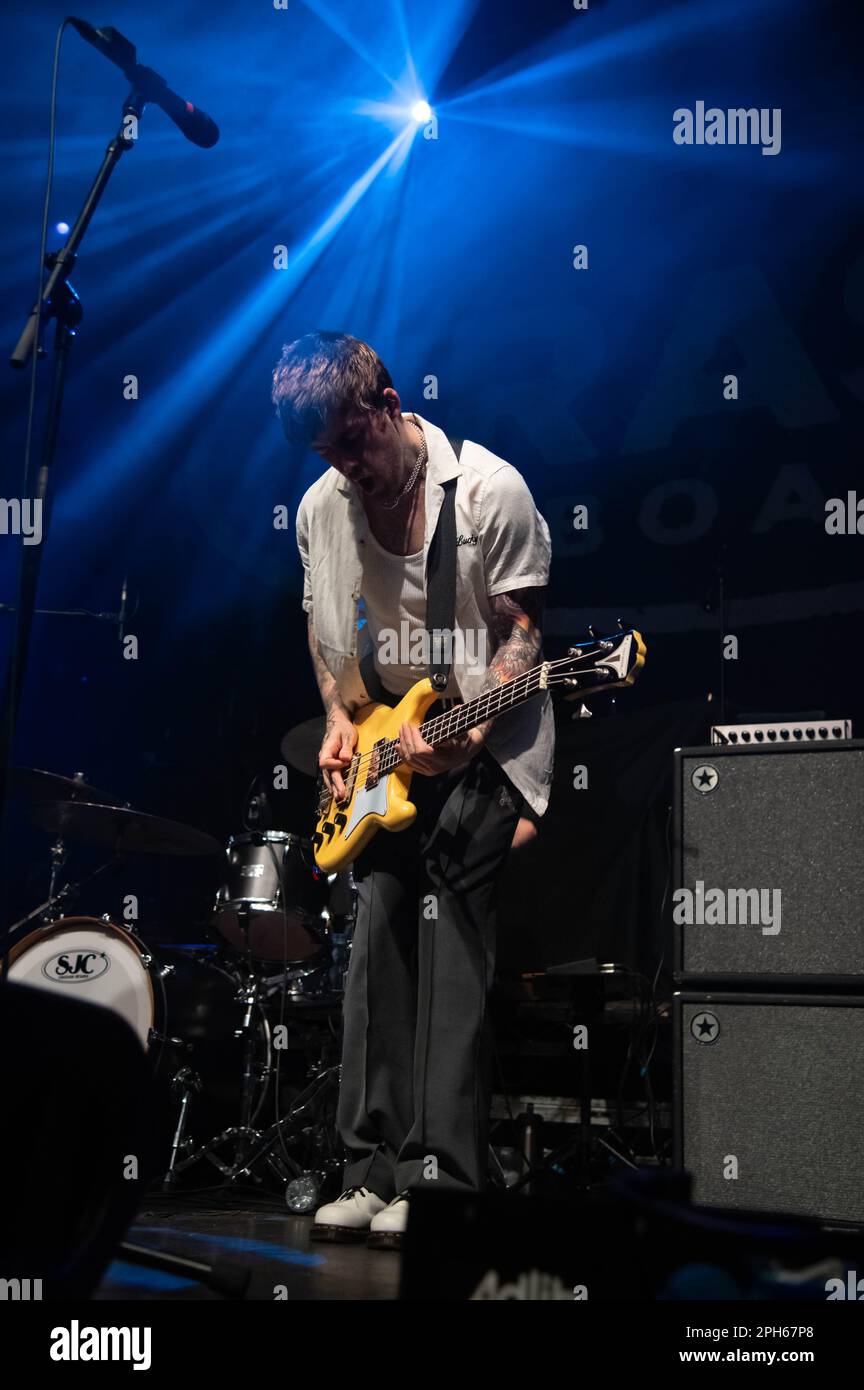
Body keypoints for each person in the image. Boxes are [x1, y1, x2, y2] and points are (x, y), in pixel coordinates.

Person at [272, 331, 554, 1248]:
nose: (349, 468)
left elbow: (524, 634)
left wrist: (473, 723)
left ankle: (444, 1179)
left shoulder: (486, 491)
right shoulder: (323, 505)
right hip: (387, 747)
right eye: (330, 455)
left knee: (452, 952)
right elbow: (322, 631)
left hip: (478, 739)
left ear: (389, 404)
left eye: (356, 442)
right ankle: (369, 1168)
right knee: (376, 946)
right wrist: (341, 716)